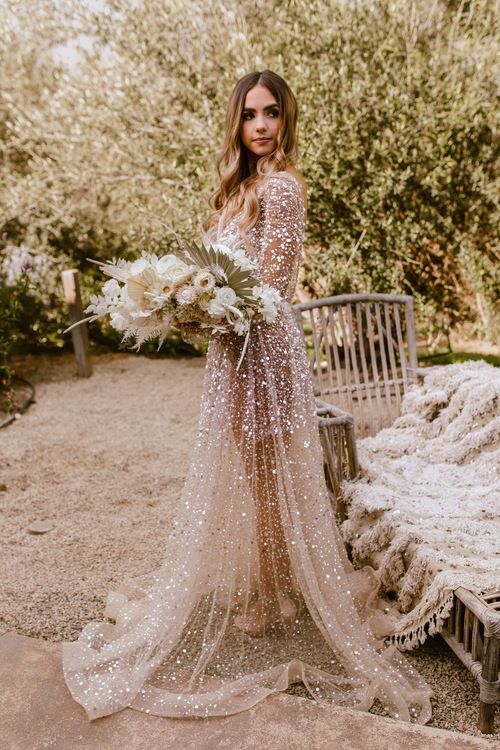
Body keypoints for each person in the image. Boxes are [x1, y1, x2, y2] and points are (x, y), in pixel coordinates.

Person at [62, 70, 432, 723]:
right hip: (232, 351)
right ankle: (278, 585)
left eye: (271, 114)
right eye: (249, 115)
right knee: (252, 470)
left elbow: (272, 290)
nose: (260, 125)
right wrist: (184, 310)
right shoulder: (232, 195)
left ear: (285, 120)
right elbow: (223, 282)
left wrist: (208, 313)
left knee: (265, 476)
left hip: (264, 350)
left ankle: (273, 596)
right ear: (236, 123)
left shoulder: (282, 190)